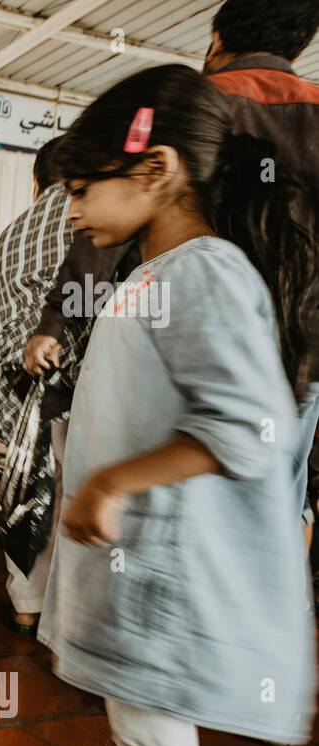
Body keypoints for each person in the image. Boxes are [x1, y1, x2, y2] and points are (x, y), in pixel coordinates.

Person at [45, 64, 316, 746]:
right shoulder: (155, 273)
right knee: (150, 743)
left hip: (166, 585)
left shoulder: (205, 273)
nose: (72, 208)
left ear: (155, 170)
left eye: (83, 186)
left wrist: (110, 482)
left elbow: (249, 425)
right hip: (145, 580)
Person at [204, 0, 319, 540]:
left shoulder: (196, 104)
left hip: (205, 336)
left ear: (218, 37)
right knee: (277, 500)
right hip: (302, 349)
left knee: (198, 500)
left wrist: (59, 320)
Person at [0, 137, 74, 635]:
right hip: (66, 381)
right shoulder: (85, 219)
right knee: (68, 494)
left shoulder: (9, 233)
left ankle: (25, 604)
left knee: (21, 485)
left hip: (16, 387)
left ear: (36, 180)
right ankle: (63, 619)